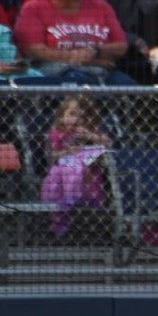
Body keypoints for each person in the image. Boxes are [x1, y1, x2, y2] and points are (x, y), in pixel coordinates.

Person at [13, 0, 136, 85]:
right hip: (52, 69)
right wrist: (86, 60)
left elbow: (121, 46)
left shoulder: (101, 6)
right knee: (78, 80)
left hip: (101, 69)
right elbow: (34, 50)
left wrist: (96, 51)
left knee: (127, 84)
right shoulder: (33, 8)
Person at [39, 95, 113, 237]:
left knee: (91, 156)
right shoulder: (57, 133)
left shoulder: (91, 133)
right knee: (67, 165)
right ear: (62, 116)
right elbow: (51, 155)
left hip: (89, 176)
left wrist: (91, 137)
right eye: (71, 114)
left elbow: (108, 144)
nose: (75, 120)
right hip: (65, 171)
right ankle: (69, 200)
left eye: (82, 116)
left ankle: (81, 206)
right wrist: (67, 152)